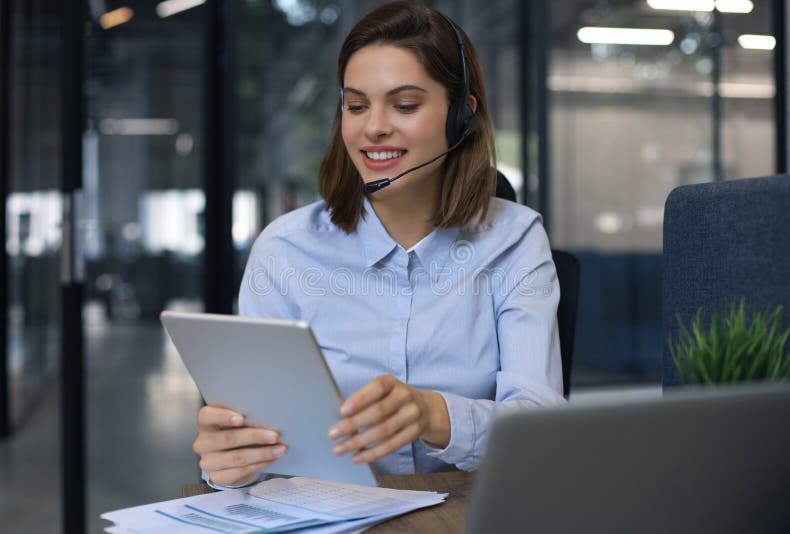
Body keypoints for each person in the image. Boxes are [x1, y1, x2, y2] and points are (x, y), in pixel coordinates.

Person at [193, 0, 564, 489]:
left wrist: (432, 413)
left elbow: (541, 431)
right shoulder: (285, 250)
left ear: (462, 117)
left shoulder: (514, 241)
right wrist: (230, 461)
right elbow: (254, 441)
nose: (373, 128)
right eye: (356, 105)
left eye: (405, 105)